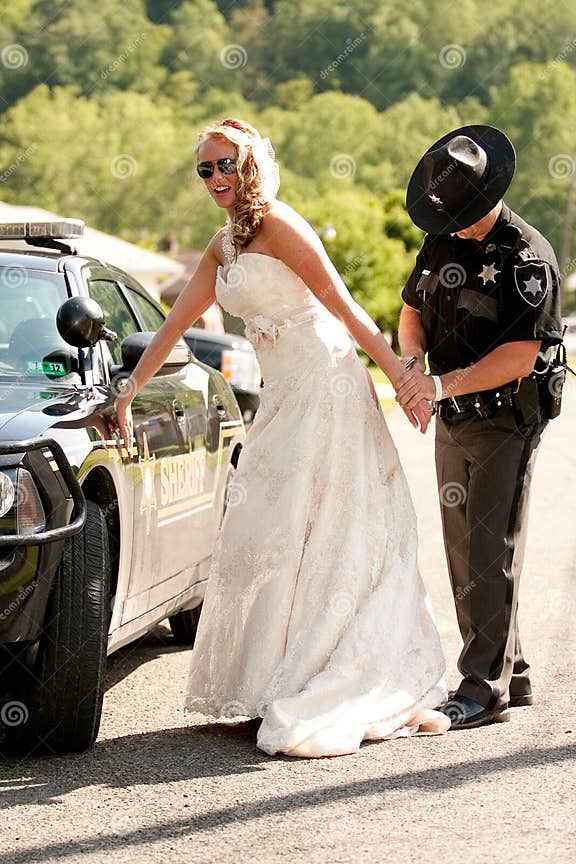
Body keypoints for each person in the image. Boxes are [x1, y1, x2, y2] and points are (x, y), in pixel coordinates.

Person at [116, 117, 450, 758]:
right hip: (282, 398)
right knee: (267, 531)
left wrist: (405, 383)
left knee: (327, 528)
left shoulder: (283, 226)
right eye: (205, 169)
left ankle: (322, 676)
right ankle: (274, 677)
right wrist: (128, 391)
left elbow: (347, 308)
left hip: (328, 387)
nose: (215, 178)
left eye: (225, 165)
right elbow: (173, 328)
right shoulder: (222, 248)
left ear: (250, 166)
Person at [396, 125, 563, 730]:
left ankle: (480, 688)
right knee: (463, 549)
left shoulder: (526, 257)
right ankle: (508, 671)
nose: (457, 223)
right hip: (452, 415)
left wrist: (440, 385)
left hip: (505, 420)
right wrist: (413, 367)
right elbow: (412, 310)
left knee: (492, 550)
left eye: (466, 213)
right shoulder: (441, 239)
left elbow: (520, 355)